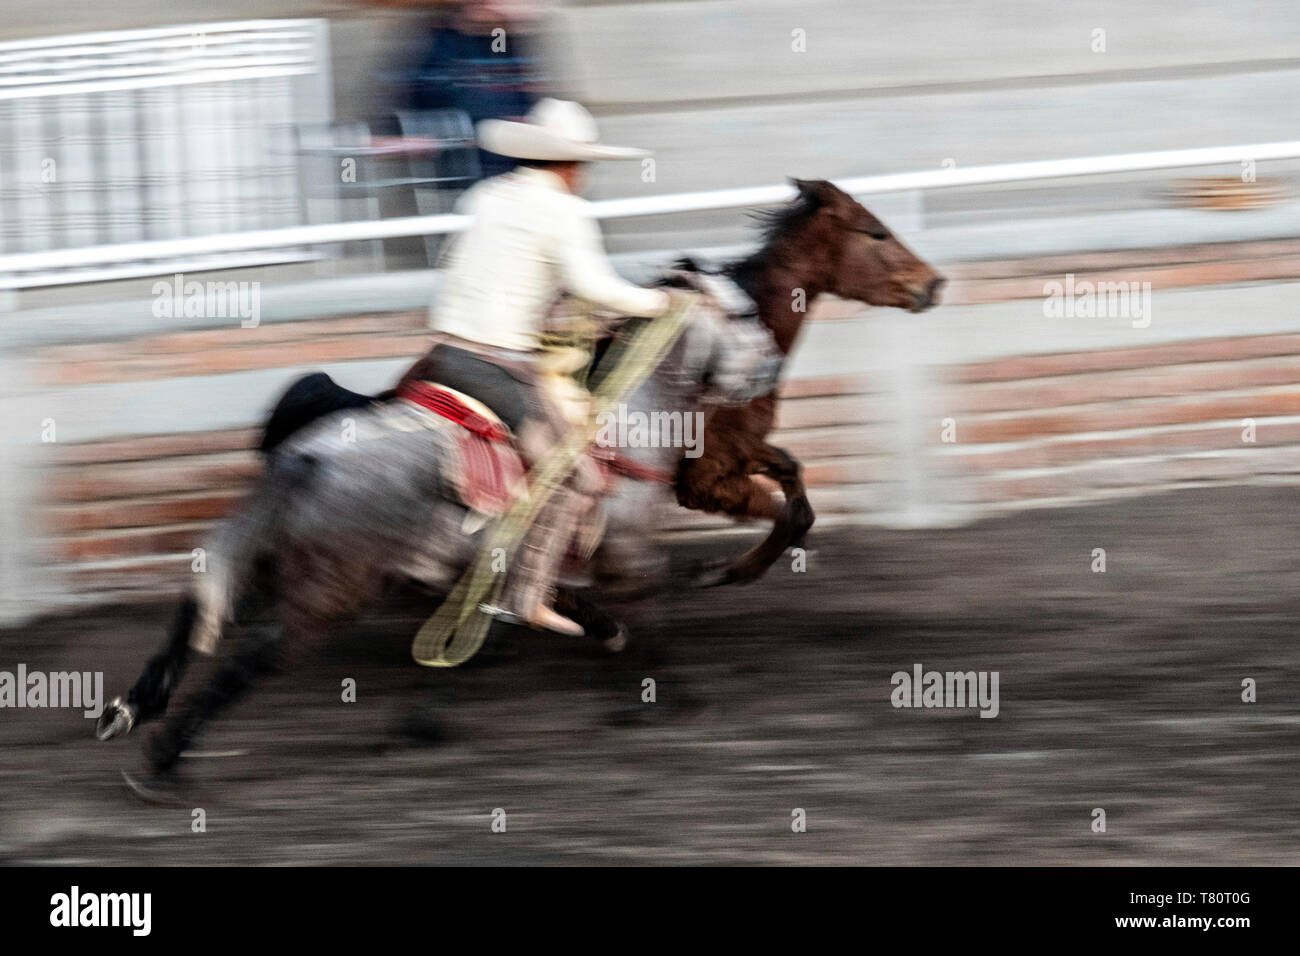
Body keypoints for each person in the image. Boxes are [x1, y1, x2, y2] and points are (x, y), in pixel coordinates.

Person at [405, 98, 675, 636]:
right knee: (574, 475)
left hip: (441, 355)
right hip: (497, 367)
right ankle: (526, 596)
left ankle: (439, 549)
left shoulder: (485, 194)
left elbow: (460, 263)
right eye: (586, 166)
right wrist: (660, 304)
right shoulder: (564, 210)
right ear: (572, 166)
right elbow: (593, 286)